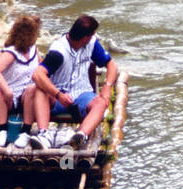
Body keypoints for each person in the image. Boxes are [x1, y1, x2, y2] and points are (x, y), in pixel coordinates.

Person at [30, 13, 119, 150]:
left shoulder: (92, 44)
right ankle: (43, 134)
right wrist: (58, 94)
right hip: (57, 96)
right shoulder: (58, 51)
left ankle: (80, 136)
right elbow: (37, 75)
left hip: (82, 94)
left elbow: (112, 65)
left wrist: (107, 87)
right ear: (85, 38)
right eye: (92, 34)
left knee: (101, 103)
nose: (93, 37)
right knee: (40, 89)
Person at [0, 14, 42, 147]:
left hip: (25, 98)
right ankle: (2, 130)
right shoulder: (10, 53)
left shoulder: (34, 50)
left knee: (32, 89)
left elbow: (41, 68)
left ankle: (26, 131)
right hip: (8, 99)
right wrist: (7, 91)